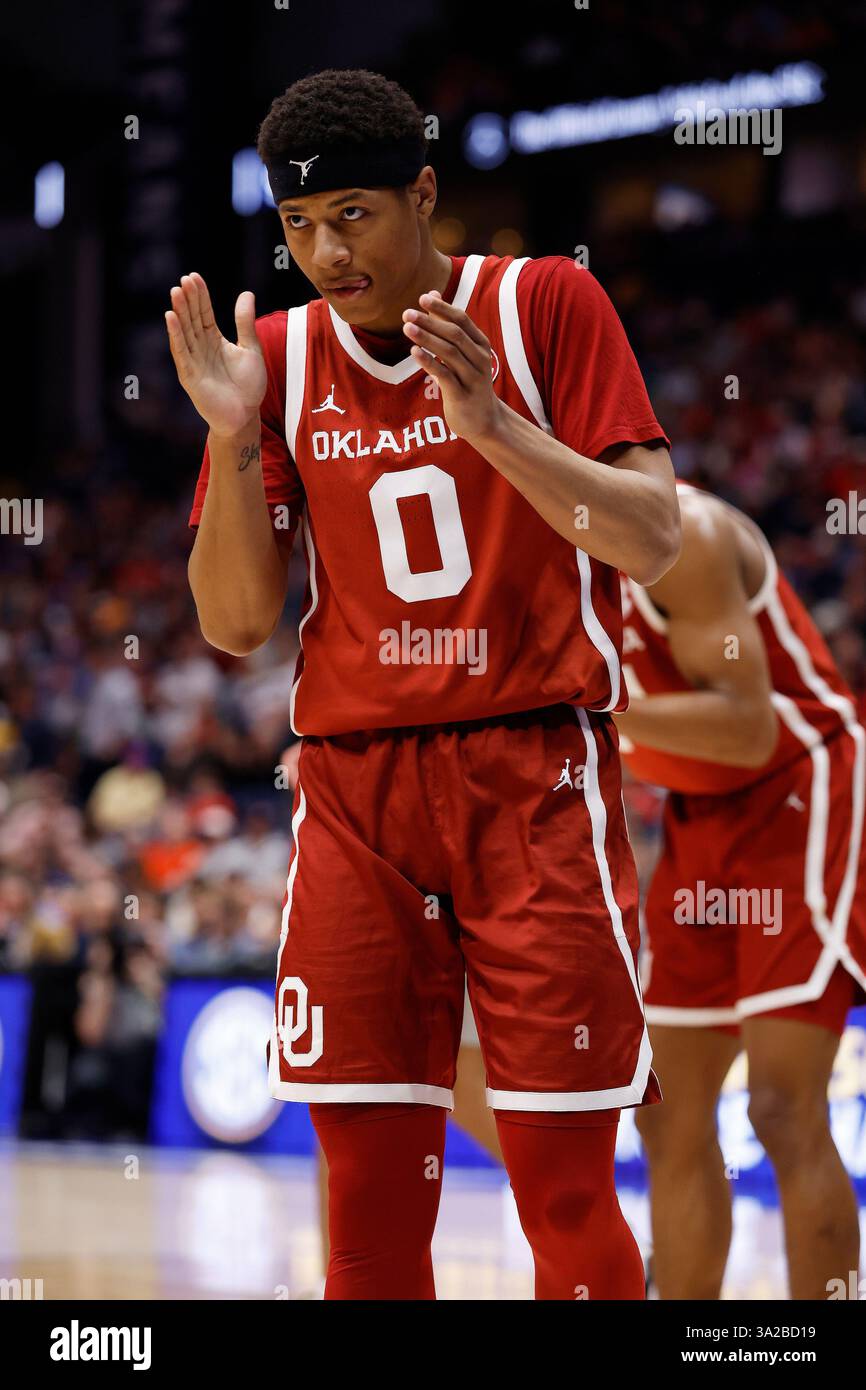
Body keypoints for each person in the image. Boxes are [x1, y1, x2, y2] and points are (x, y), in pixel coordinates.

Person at [166, 67, 679, 1300]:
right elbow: (236, 621)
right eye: (297, 227)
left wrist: (495, 424)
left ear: (424, 193)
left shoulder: (545, 300)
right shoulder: (276, 361)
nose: (325, 252)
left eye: (353, 214)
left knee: (562, 1189)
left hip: (532, 775)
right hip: (355, 796)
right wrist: (232, 434)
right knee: (365, 1210)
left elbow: (650, 536)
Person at [615, 482, 866, 1300]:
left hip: (800, 786)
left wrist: (590, 707)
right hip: (701, 812)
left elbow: (746, 726)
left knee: (781, 1108)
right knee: (666, 1110)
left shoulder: (683, 531)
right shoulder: (525, 556)